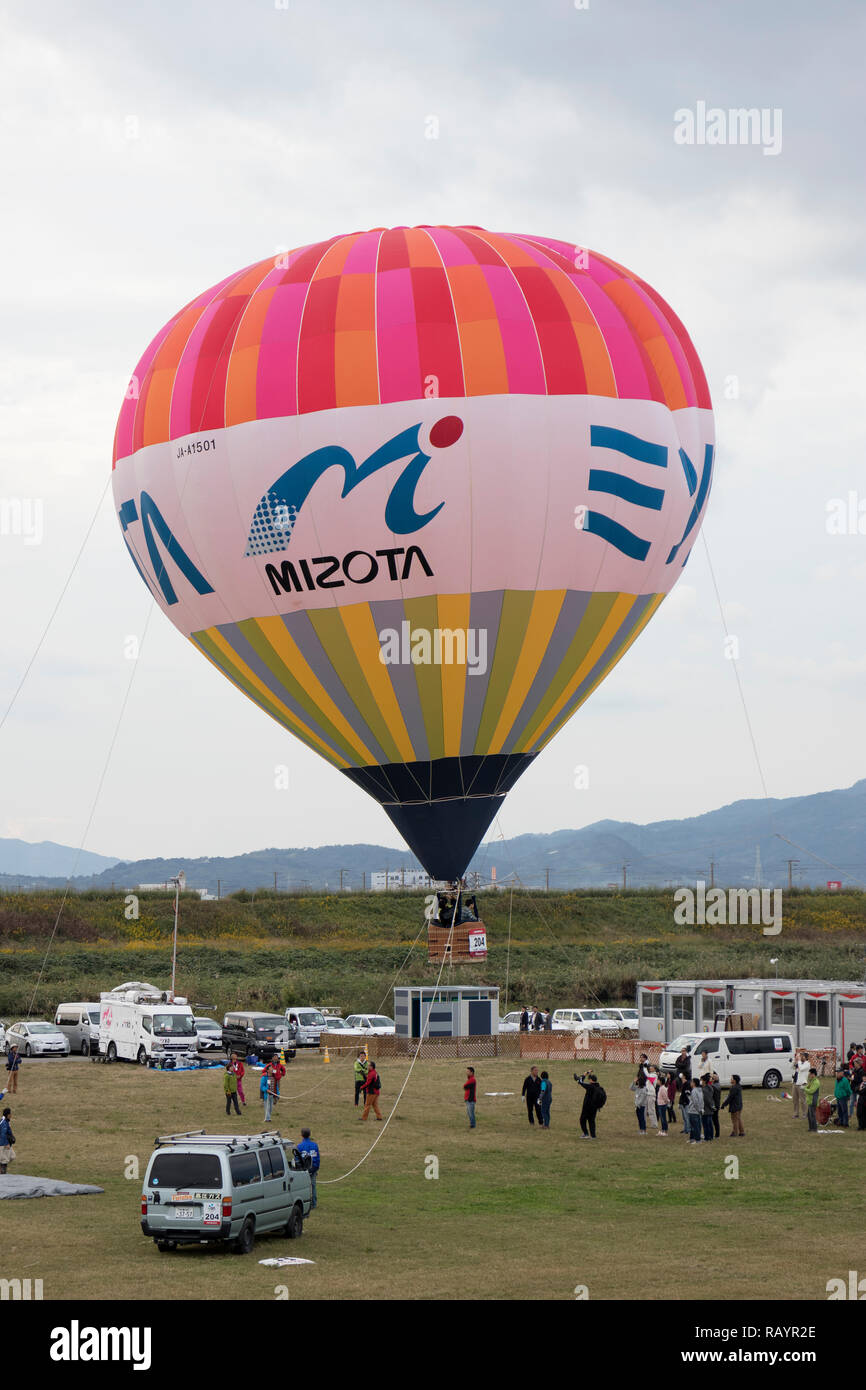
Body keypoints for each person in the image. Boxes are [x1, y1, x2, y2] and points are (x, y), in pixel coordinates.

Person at [295, 1128, 320, 1208]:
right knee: (313, 1186)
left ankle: (305, 1203)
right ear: (310, 1134)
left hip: (303, 1170)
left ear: (301, 1135)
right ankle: (314, 1203)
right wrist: (315, 1169)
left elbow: (297, 1160)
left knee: (303, 1187)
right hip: (313, 1168)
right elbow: (317, 1158)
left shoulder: (299, 1146)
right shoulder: (314, 1145)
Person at [574, 1072, 603, 1138]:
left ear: (591, 1080)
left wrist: (585, 1074)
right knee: (591, 1121)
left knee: (582, 1120)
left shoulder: (590, 1086)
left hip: (587, 1107)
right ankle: (593, 1136)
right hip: (594, 1107)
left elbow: (580, 1082)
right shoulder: (598, 1086)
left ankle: (586, 1134)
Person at [793, 1050, 810, 1119]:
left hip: (802, 1084)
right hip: (795, 1083)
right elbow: (791, 1068)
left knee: (803, 1100)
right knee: (795, 1100)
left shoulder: (807, 1064)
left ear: (805, 1057)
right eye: (800, 1056)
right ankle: (796, 1113)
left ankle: (804, 1114)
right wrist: (794, 1061)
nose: (800, 1057)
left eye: (802, 1056)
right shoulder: (799, 1063)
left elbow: (802, 1069)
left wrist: (799, 1061)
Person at [687, 1078, 704, 1144]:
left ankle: (697, 1140)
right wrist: (701, 1108)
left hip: (693, 1111)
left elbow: (695, 1101)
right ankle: (692, 1138)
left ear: (694, 1083)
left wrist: (698, 1109)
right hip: (698, 1110)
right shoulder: (700, 1090)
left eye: (691, 1082)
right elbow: (701, 1100)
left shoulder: (694, 1091)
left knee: (695, 1126)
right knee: (695, 1126)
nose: (690, 1083)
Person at [804, 1068, 821, 1132]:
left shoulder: (816, 1082)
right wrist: (806, 1087)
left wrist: (805, 1089)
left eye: (810, 1074)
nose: (809, 1075)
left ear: (813, 1074)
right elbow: (807, 1086)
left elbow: (811, 1091)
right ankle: (811, 1128)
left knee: (812, 1115)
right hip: (810, 1100)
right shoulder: (812, 1081)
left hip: (813, 1101)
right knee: (809, 1115)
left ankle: (814, 1128)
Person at [700, 1075, 715, 1142]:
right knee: (710, 1123)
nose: (700, 1081)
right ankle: (711, 1136)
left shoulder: (704, 1090)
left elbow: (707, 1100)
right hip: (710, 1108)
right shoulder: (710, 1087)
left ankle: (707, 1137)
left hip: (706, 1109)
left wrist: (710, 1106)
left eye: (701, 1080)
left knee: (706, 1124)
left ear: (704, 1081)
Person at [0, 1107, 14, 1173]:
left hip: (7, 1142)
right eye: (10, 1114)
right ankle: (2, 1172)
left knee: (12, 1156)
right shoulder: (3, 1123)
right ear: (8, 1115)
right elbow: (3, 1134)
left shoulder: (6, 1121)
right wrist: (6, 1144)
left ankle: (2, 1168)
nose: (11, 1115)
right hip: (3, 1143)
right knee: (4, 1160)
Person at [710, 1073, 722, 1138]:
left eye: (711, 1078)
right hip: (717, 1104)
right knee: (715, 1120)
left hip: (714, 1105)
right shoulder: (718, 1085)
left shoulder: (713, 1086)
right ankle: (717, 1134)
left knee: (714, 1120)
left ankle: (716, 1134)